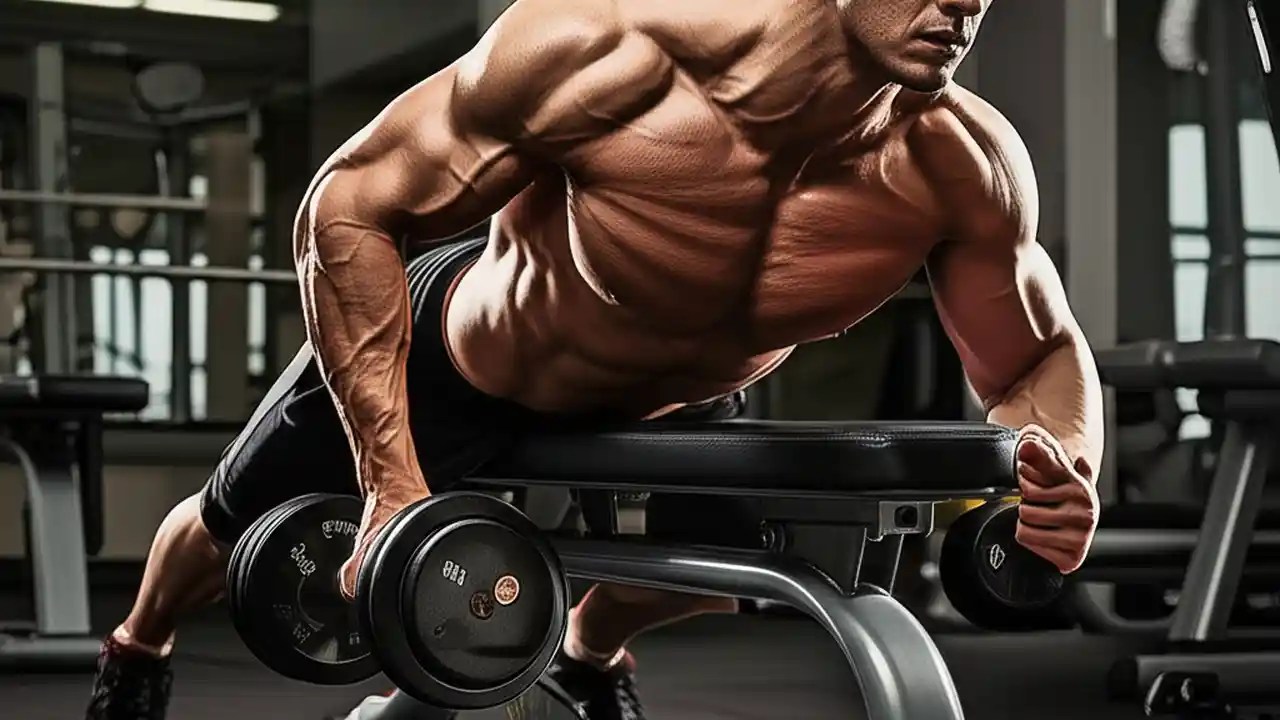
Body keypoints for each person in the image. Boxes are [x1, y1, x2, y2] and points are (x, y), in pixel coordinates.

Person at [86, 0, 1105, 718]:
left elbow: (1036, 357)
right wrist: (391, 482)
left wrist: (1062, 466)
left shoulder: (960, 165)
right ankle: (136, 652)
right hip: (466, 362)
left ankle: (583, 651)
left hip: (678, 410)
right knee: (222, 536)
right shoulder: (609, 46)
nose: (966, 1)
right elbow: (348, 205)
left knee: (716, 576)